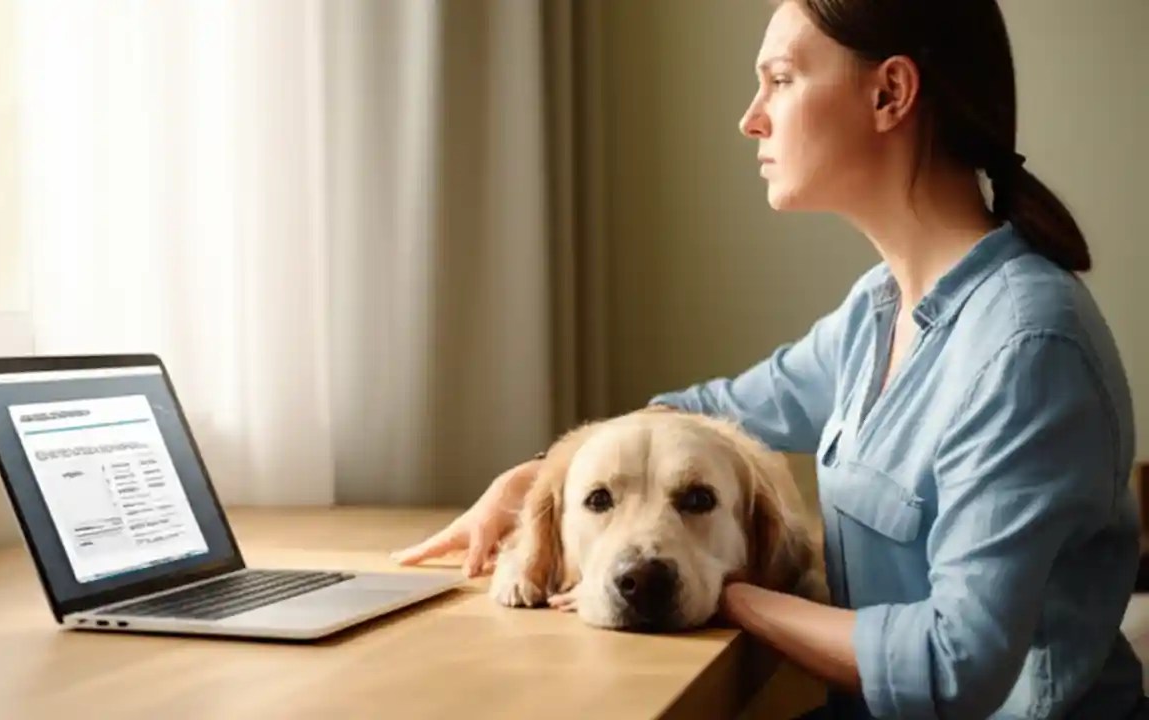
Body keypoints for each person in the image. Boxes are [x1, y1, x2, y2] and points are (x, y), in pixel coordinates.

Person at [392, 0, 1148, 717]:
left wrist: (729, 592)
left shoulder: (1025, 348)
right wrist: (536, 483)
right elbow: (698, 417)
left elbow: (952, 666)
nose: (751, 118)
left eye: (780, 81)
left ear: (890, 93)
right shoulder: (876, 314)